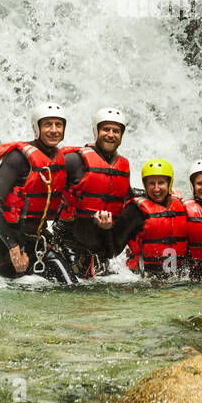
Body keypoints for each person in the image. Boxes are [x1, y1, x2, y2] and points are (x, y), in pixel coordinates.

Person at [0, 102, 76, 283]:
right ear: (36, 128)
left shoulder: (60, 159)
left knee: (71, 287)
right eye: (47, 124)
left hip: (36, 244)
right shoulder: (17, 158)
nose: (54, 130)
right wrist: (14, 248)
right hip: (7, 246)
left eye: (58, 125)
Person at [53, 106, 131, 276]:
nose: (111, 134)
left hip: (100, 245)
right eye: (106, 129)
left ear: (121, 136)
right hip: (69, 242)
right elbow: (41, 182)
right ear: (96, 132)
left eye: (116, 131)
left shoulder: (122, 166)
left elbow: (128, 195)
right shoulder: (74, 160)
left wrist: (168, 195)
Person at [107, 158, 189, 277]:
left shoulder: (180, 206)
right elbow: (113, 249)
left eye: (161, 183)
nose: (156, 189)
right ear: (145, 185)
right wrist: (106, 228)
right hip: (142, 280)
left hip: (177, 279)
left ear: (169, 184)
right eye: (151, 183)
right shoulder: (134, 210)